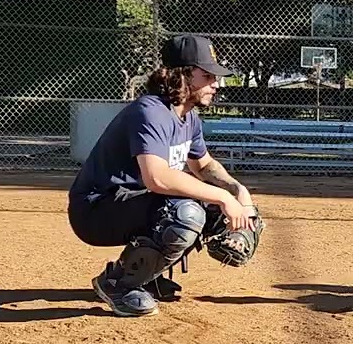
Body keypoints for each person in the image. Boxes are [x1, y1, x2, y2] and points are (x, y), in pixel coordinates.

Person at [67, 33, 255, 317]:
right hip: (96, 209)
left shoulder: (188, 115)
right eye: (207, 76)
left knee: (217, 206)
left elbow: (203, 166)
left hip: (134, 202)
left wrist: (235, 190)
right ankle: (117, 283)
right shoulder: (150, 112)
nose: (215, 84)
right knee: (185, 212)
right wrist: (220, 197)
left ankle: (144, 274)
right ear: (182, 75)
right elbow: (157, 178)